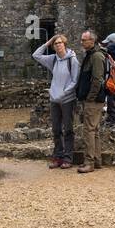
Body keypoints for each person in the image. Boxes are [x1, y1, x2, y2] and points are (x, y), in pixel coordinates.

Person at [33, 33, 78, 169]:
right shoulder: (53, 59)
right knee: (56, 129)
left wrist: (64, 93)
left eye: (60, 42)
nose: (58, 45)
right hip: (54, 99)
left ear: (65, 44)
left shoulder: (73, 60)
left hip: (67, 99)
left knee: (68, 129)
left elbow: (75, 80)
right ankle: (58, 157)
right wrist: (47, 43)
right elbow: (36, 55)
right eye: (55, 43)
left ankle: (68, 158)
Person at [75, 30, 107, 174]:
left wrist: (90, 98)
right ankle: (97, 160)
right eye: (82, 40)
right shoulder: (92, 55)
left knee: (89, 130)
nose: (82, 42)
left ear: (92, 41)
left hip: (93, 100)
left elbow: (97, 80)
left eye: (84, 40)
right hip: (93, 99)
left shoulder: (97, 56)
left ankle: (90, 162)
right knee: (94, 131)